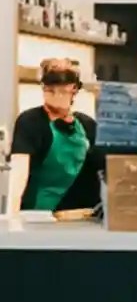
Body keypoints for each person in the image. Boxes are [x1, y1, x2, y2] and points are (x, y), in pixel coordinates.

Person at [11, 58, 100, 211]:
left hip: (82, 215)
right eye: (51, 90)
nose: (57, 96)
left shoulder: (87, 125)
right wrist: (12, 214)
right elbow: (19, 171)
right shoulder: (31, 122)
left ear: (74, 90)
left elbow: (104, 170)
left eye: (63, 91)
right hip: (41, 216)